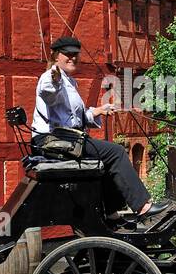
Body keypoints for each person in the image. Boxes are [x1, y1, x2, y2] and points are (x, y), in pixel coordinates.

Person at [33, 35, 166, 217]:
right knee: (116, 152)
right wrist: (54, 79)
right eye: (67, 54)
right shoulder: (50, 77)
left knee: (104, 159)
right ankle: (142, 207)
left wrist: (98, 111)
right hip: (52, 141)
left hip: (66, 139)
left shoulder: (69, 81)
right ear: (56, 56)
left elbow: (73, 117)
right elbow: (48, 94)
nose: (72, 57)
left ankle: (109, 211)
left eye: (75, 54)